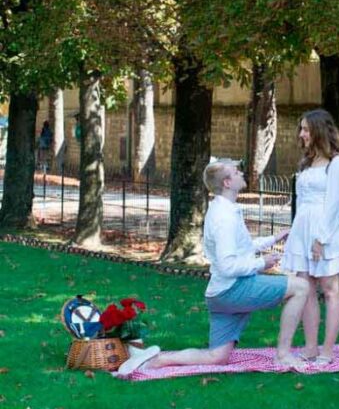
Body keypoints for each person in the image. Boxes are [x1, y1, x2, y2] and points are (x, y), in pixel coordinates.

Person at [116, 159, 310, 375]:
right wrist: (261, 263)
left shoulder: (221, 209)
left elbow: (239, 249)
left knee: (217, 357)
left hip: (219, 294)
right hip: (234, 290)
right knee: (301, 287)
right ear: (227, 182)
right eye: (236, 172)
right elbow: (228, 265)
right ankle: (283, 354)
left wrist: (273, 239)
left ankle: (157, 359)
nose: (241, 173)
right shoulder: (224, 217)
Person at [282, 109, 339, 365]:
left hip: (326, 232)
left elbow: (336, 204)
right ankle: (311, 346)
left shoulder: (338, 164)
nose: (301, 134)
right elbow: (301, 202)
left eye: (306, 129)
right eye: (301, 129)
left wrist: (321, 239)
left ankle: (327, 350)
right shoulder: (307, 163)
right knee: (306, 289)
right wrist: (297, 233)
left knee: (330, 289)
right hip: (303, 228)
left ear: (319, 131)